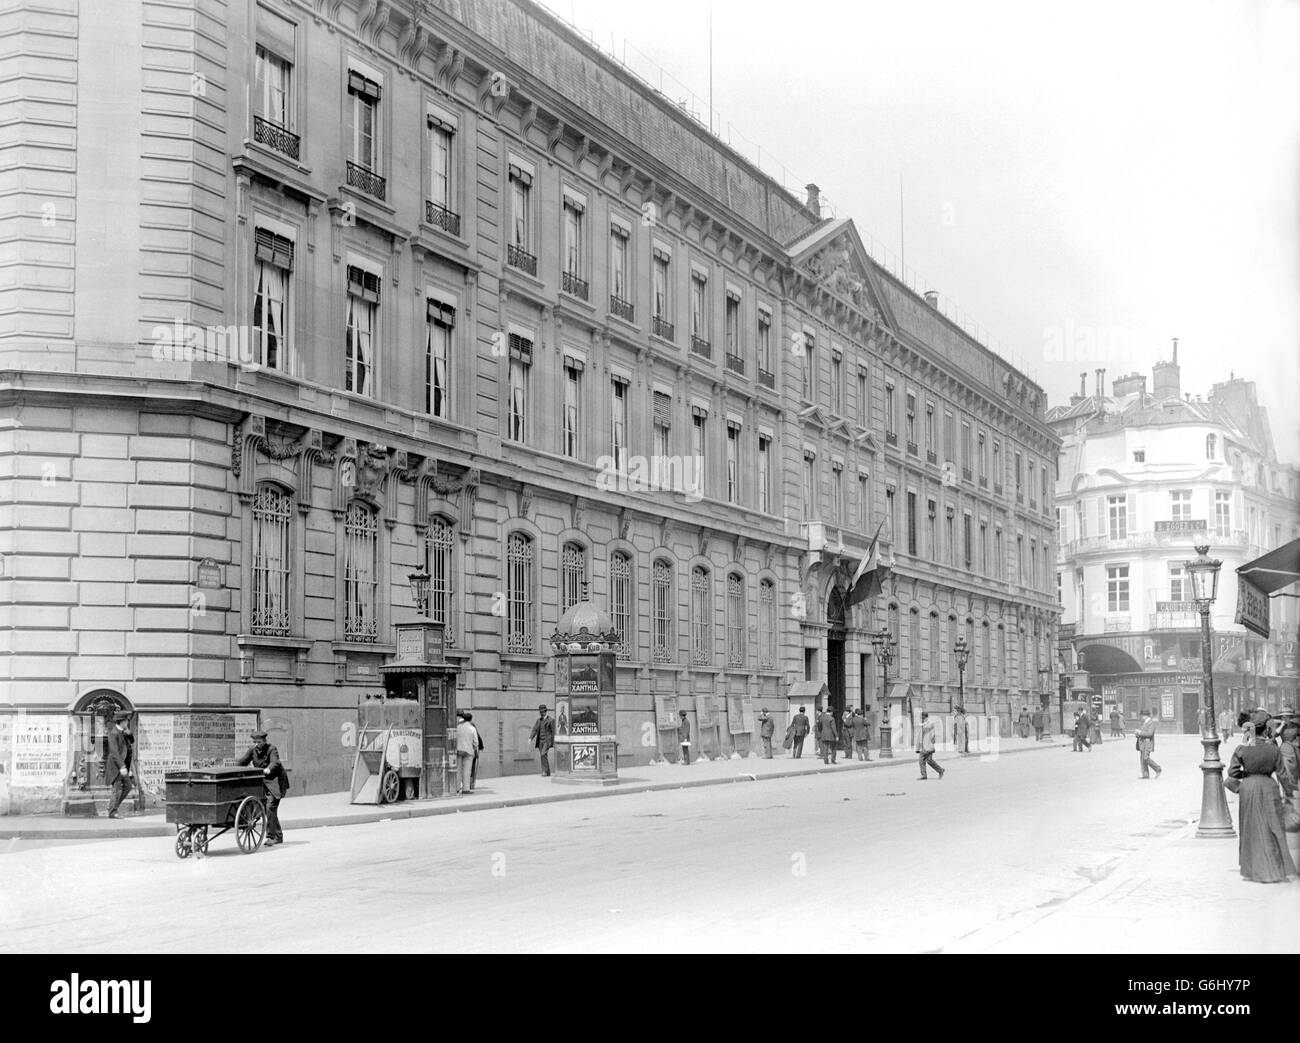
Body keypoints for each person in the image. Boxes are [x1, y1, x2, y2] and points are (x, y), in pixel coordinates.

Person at [1228, 711, 1297, 883]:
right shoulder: (1273, 749)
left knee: (1250, 827)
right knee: (1273, 827)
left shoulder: (1242, 748)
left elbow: (1232, 772)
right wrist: (1289, 794)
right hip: (1269, 788)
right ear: (1266, 729)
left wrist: (1249, 774)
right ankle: (1274, 869)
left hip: (1249, 788)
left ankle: (1252, 869)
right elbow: (1282, 774)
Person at [236, 729, 287, 844]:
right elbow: (243, 761)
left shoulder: (271, 749)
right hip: (263, 782)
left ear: (264, 741)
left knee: (270, 807)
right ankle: (278, 835)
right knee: (267, 809)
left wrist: (268, 769)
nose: (256, 744)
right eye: (254, 742)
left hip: (275, 782)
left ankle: (271, 837)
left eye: (258, 742)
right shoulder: (253, 750)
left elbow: (275, 762)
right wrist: (233, 769)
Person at [104, 711, 133, 819]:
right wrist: (121, 766)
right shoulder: (113, 733)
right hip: (116, 767)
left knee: (128, 786)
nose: (127, 723)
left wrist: (129, 734)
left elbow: (132, 741)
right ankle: (112, 812)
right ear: (122, 721)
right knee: (116, 789)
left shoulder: (123, 731)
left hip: (122, 765)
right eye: (126, 721)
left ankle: (113, 806)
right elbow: (114, 752)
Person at [528, 703, 555, 777]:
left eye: (542, 712)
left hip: (547, 741)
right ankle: (548, 772)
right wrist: (530, 738)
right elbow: (534, 730)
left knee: (543, 754)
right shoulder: (538, 721)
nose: (541, 713)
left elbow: (553, 732)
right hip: (540, 741)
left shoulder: (551, 720)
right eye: (540, 712)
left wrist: (553, 742)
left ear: (546, 711)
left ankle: (544, 771)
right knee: (543, 755)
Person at [916, 711, 944, 779]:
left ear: (924, 716)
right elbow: (920, 736)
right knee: (929, 760)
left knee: (921, 759)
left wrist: (922, 724)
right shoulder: (923, 724)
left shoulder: (929, 723)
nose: (921, 718)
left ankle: (924, 775)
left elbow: (930, 731)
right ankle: (940, 770)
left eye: (922, 717)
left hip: (927, 745)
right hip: (925, 745)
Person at [455, 710, 477, 793]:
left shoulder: (458, 727)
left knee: (458, 770)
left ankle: (456, 788)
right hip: (468, 751)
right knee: (467, 771)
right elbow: (476, 742)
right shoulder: (472, 728)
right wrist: (475, 749)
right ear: (470, 719)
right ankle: (466, 789)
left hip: (458, 750)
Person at [1135, 709, 1161, 779]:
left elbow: (1149, 734)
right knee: (1142, 759)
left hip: (1147, 743)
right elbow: (1143, 732)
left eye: (1143, 715)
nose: (1142, 717)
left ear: (1146, 715)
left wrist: (1140, 732)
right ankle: (1145, 775)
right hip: (1142, 743)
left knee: (1145, 758)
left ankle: (1158, 769)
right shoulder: (1145, 722)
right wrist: (1137, 734)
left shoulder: (1151, 723)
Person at [467, 712, 485, 792]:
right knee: (471, 768)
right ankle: (471, 783)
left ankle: (467, 783)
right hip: (472, 750)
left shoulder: (459, 725)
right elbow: (477, 737)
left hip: (464, 749)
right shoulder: (472, 726)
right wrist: (480, 746)